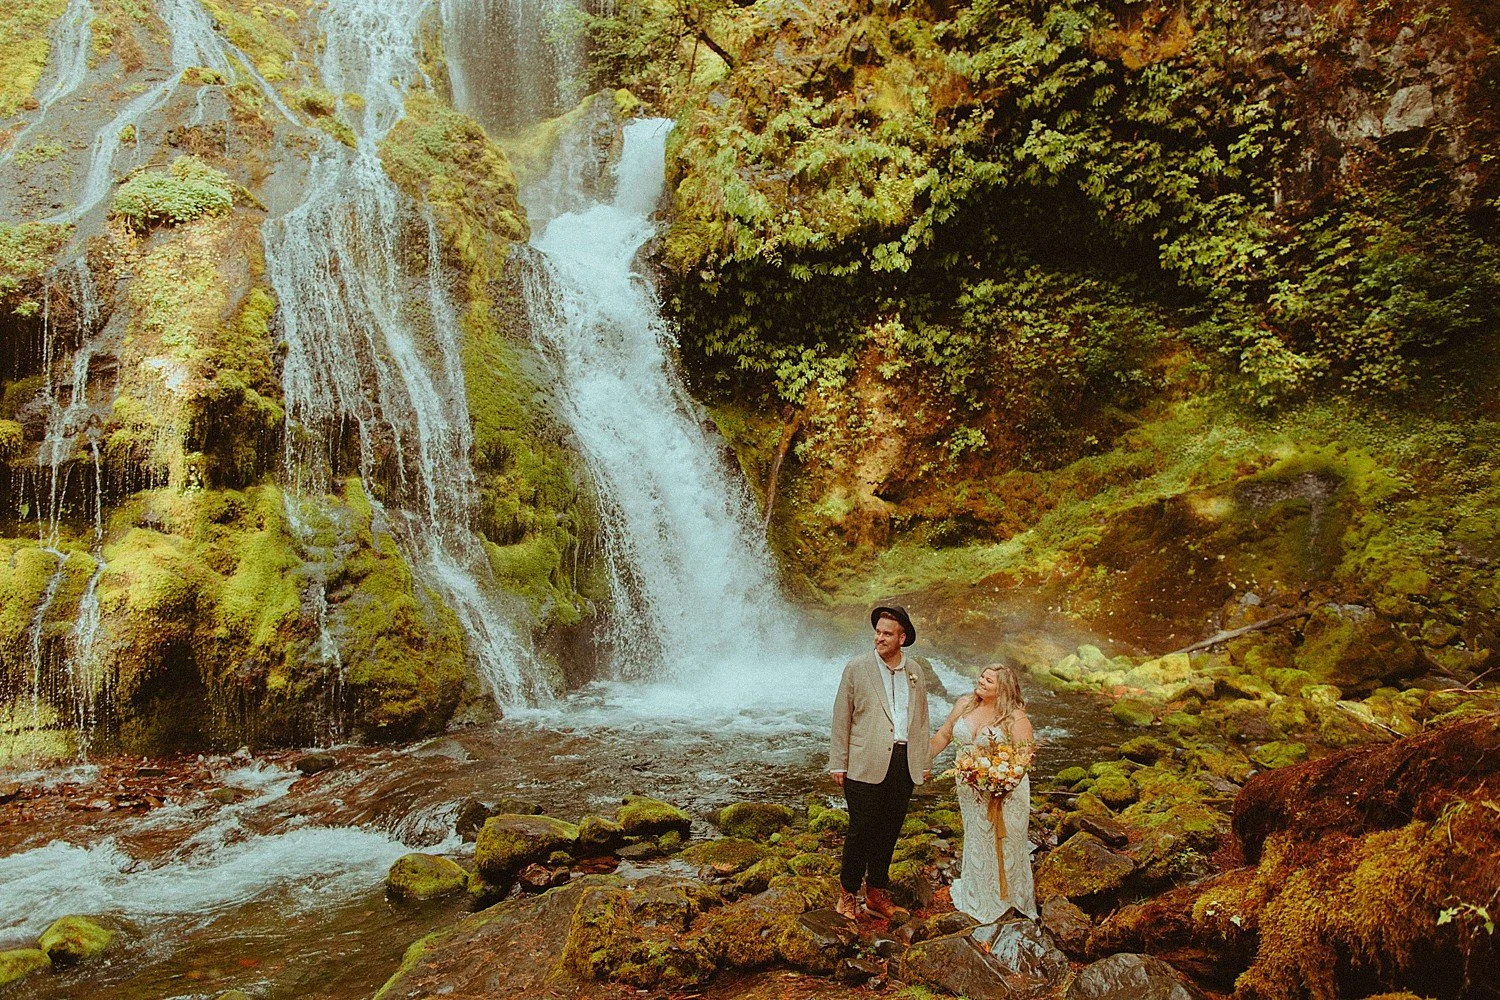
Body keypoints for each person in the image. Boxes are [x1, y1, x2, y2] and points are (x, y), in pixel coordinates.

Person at [828, 604, 932, 921]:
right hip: (864, 762)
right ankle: (848, 895)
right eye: (878, 632)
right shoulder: (856, 668)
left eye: (887, 633)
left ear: (902, 638)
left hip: (903, 763)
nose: (880, 638)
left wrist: (924, 760)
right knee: (861, 829)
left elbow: (923, 721)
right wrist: (838, 762)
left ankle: (876, 893)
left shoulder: (915, 672)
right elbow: (841, 717)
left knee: (889, 830)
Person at [929, 663, 1038, 922]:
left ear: (1003, 688)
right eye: (982, 677)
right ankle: (978, 897)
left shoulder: (1015, 717)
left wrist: (1003, 783)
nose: (982, 681)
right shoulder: (965, 704)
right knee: (978, 838)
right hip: (970, 788)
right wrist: (923, 761)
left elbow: (1025, 757)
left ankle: (1009, 902)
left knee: (1006, 842)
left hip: (1005, 792)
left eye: (989, 680)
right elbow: (944, 734)